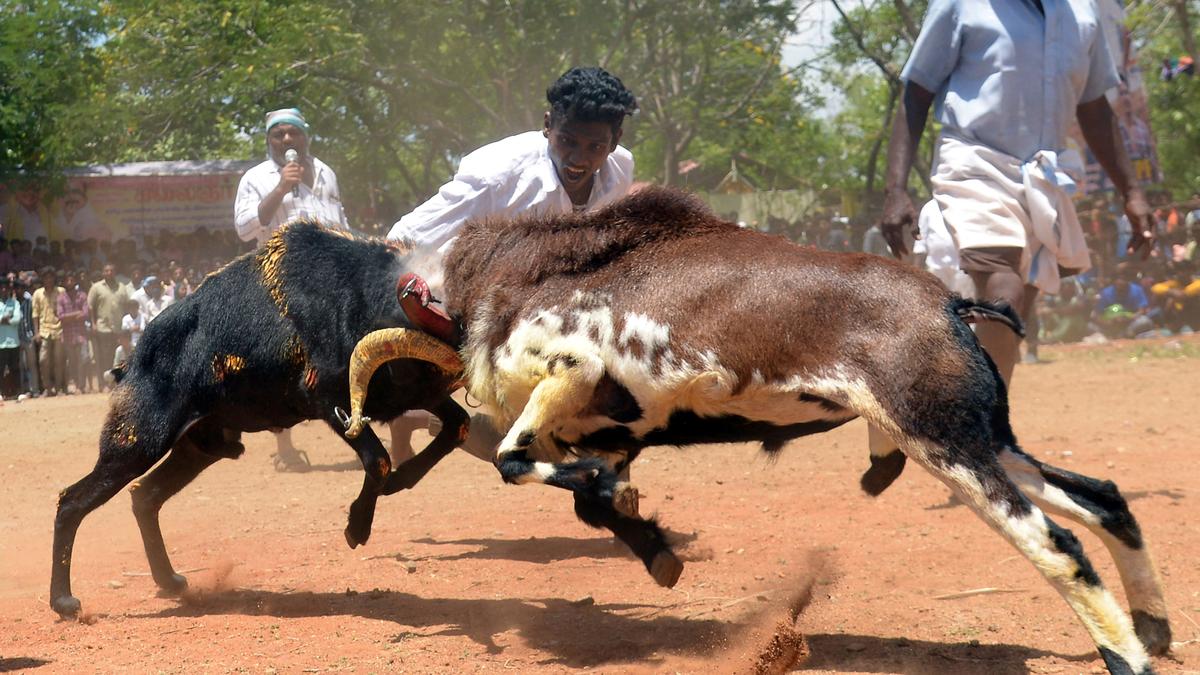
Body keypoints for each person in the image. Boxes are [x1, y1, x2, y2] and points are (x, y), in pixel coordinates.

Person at [879, 0, 1155, 390]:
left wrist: (1133, 192)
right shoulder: (962, 6)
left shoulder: (1083, 14)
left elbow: (1094, 110)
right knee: (1003, 289)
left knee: (1016, 309)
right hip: (975, 164)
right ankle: (984, 422)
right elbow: (916, 94)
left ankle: (963, 404)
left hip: (1043, 177)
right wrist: (895, 189)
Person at [386, 66, 638, 465]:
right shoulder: (498, 176)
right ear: (548, 125)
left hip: (544, 296)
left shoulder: (620, 169)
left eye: (595, 146)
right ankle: (440, 421)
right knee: (532, 431)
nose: (579, 159)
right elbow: (405, 237)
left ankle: (425, 420)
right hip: (467, 296)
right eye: (567, 141)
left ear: (615, 140)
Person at [235, 107, 349, 472]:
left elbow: (340, 221)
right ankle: (284, 446)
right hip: (281, 284)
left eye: (293, 132)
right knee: (282, 365)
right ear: (269, 140)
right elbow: (245, 229)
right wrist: (282, 188)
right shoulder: (255, 178)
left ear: (305, 135)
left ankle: (355, 430)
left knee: (339, 357)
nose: (287, 139)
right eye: (278, 134)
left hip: (329, 281)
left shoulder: (326, 172)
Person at [87, 263, 128, 389]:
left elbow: (126, 306)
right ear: (103, 273)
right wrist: (93, 324)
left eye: (111, 271)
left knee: (118, 357)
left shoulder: (121, 287)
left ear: (115, 272)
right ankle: (103, 384)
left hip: (118, 328)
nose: (109, 273)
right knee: (104, 357)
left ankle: (117, 383)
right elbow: (90, 307)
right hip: (103, 328)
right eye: (106, 271)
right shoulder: (96, 287)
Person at [31, 267, 66, 396]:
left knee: (59, 360)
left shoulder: (61, 291)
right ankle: (47, 388)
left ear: (54, 278)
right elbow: (35, 314)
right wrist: (36, 332)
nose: (49, 280)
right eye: (46, 277)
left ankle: (58, 388)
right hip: (44, 330)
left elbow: (65, 310)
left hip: (59, 329)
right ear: (43, 279)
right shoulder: (37, 294)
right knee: (43, 360)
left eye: (51, 277)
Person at [56, 269, 91, 394]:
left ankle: (82, 385)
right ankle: (76, 385)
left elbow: (85, 314)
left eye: (72, 280)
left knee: (83, 360)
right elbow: (60, 316)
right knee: (72, 362)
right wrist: (77, 313)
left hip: (81, 334)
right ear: (64, 282)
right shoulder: (61, 297)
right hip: (68, 336)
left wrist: (69, 316)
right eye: (67, 280)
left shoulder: (82, 295)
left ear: (75, 281)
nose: (70, 282)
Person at [0, 277, 21, 400]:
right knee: (0, 369)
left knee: (15, 368)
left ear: (9, 289)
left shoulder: (15, 303)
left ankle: (17, 393)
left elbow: (17, 319)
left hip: (13, 342)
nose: (3, 290)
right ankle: (1, 393)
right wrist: (5, 319)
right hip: (1, 342)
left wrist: (4, 321)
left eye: (5, 287)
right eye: (1, 287)